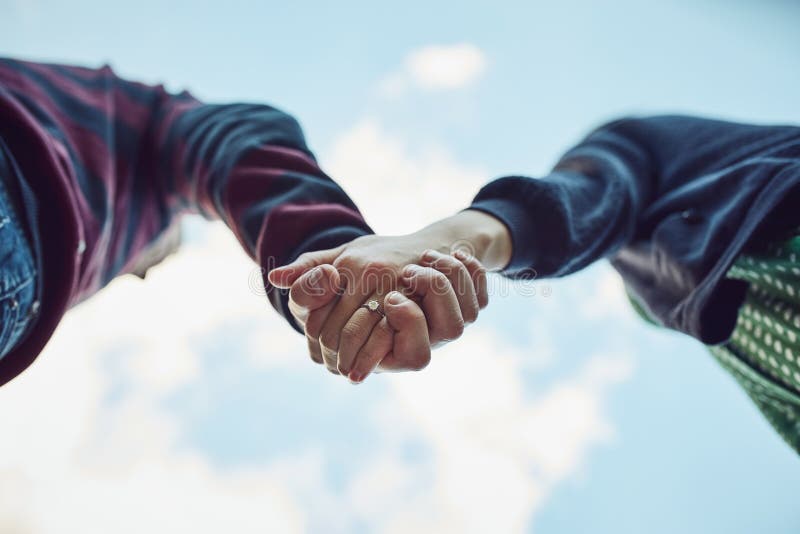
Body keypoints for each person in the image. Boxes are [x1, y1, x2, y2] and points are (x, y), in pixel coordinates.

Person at [272, 116, 800, 453]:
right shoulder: (673, 295)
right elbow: (594, 195)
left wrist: (447, 245)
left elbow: (602, 185)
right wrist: (447, 248)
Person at [0, 56, 486, 386]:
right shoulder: (137, 118)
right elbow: (239, 141)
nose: (136, 268)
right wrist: (338, 261)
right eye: (147, 264)